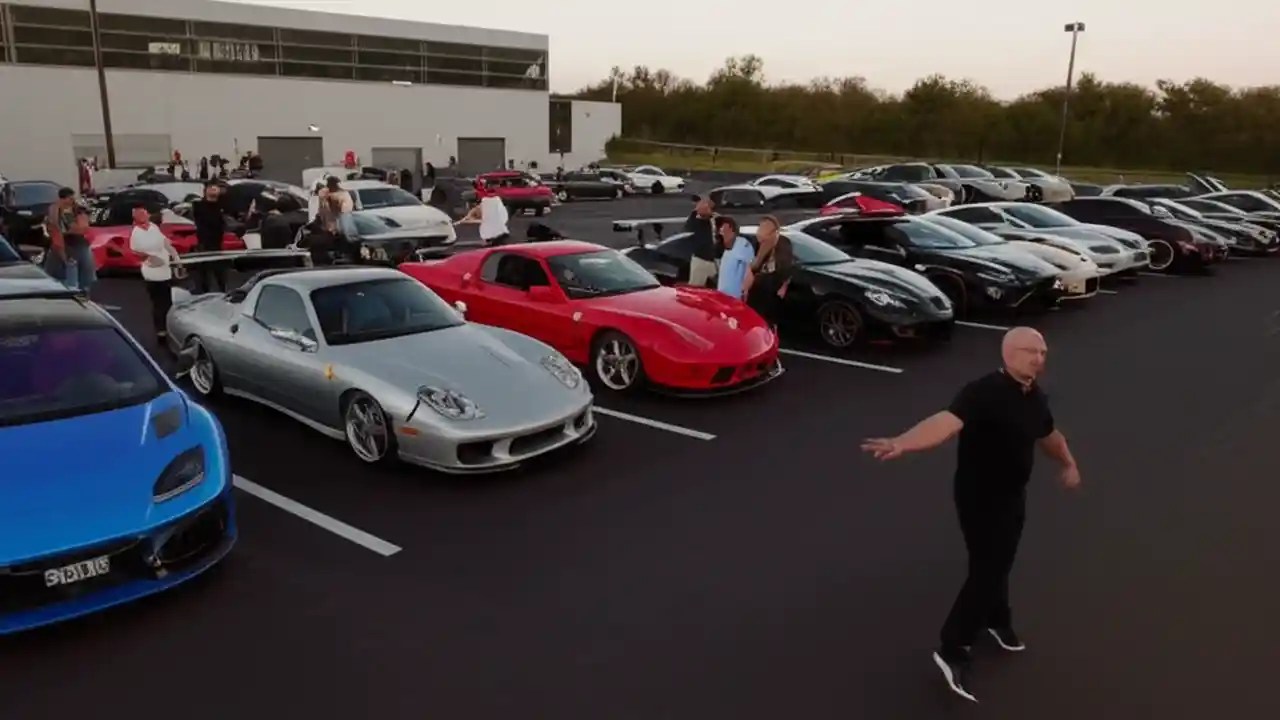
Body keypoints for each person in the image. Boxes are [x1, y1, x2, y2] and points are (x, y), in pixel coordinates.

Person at [860, 327, 1081, 704]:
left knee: (998, 560)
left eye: (1044, 352)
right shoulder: (983, 392)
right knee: (988, 568)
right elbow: (945, 423)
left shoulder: (1034, 397)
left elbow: (1049, 435)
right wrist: (903, 442)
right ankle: (952, 647)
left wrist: (1069, 463)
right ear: (1009, 353)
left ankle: (996, 619)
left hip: (1013, 495)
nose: (1040, 358)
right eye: (1032, 351)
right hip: (980, 497)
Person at [129, 205, 182, 341]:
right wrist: (150, 258)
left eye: (145, 213)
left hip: (165, 268)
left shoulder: (153, 227)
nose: (144, 216)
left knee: (167, 301)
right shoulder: (136, 232)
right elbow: (135, 251)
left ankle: (169, 327)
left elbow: (165, 243)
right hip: (151, 270)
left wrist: (176, 258)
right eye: (140, 214)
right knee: (159, 301)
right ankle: (161, 331)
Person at [44, 187, 96, 295]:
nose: (72, 201)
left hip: (76, 245)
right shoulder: (58, 212)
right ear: (63, 199)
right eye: (70, 199)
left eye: (73, 199)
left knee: (80, 276)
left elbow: (83, 228)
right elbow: (60, 233)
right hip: (68, 246)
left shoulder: (72, 209)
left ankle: (80, 294)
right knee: (67, 276)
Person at [746, 215, 794, 329]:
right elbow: (754, 265)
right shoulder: (758, 244)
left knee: (768, 322)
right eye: (761, 228)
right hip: (757, 290)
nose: (761, 233)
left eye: (765, 229)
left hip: (772, 291)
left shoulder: (783, 244)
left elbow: (784, 267)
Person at [190, 181, 228, 294]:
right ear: (205, 191)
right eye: (210, 188)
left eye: (215, 188)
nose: (213, 190)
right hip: (203, 244)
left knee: (220, 273)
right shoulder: (199, 206)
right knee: (203, 273)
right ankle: (203, 293)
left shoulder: (223, 205)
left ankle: (223, 291)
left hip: (218, 244)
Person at [714, 216, 754, 300]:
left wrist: (745, 289)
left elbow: (749, 270)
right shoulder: (725, 251)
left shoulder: (742, 244)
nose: (722, 231)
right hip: (722, 296)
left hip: (735, 298)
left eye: (725, 228)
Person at [684, 196, 718, 288]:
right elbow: (689, 230)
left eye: (708, 205)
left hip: (716, 260)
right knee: (696, 288)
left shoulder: (717, 219)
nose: (706, 207)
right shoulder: (695, 219)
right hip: (701, 259)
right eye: (704, 205)